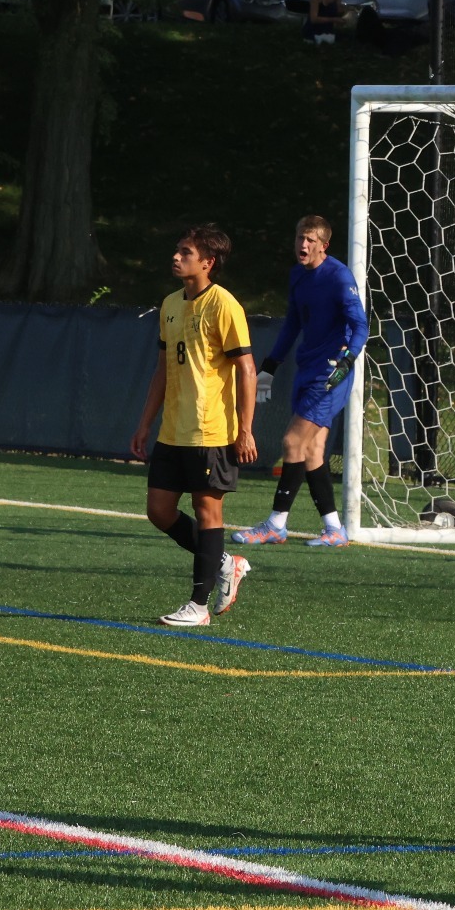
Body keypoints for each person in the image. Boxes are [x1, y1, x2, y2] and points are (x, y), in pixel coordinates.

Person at [131, 225, 259, 626]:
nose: (176, 256)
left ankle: (199, 606)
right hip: (173, 429)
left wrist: (246, 428)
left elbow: (246, 368)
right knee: (159, 510)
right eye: (177, 250)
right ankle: (224, 563)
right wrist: (145, 423)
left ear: (208, 262)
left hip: (210, 429)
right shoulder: (170, 303)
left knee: (208, 511)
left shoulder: (224, 305)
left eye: (185, 252)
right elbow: (163, 370)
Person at [235, 215, 367, 548]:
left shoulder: (339, 277)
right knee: (312, 451)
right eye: (299, 238)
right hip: (306, 367)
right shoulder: (297, 276)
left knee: (292, 442)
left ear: (324, 245)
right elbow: (292, 325)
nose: (302, 245)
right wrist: (269, 368)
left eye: (310, 240)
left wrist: (345, 364)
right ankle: (335, 529)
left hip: (330, 373)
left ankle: (276, 524)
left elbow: (361, 326)